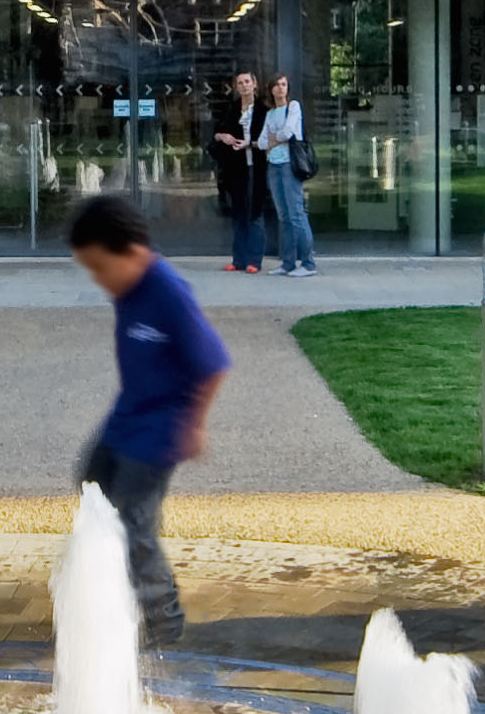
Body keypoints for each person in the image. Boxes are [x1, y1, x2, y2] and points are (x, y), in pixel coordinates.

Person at [65, 191, 226, 635]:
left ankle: (162, 623)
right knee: (92, 485)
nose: (98, 280)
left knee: (134, 524)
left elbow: (213, 363)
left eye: (100, 267)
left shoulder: (168, 292)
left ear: (133, 253)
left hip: (159, 431)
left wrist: (194, 424)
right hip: (127, 417)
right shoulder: (128, 286)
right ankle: (111, 592)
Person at [259, 74, 320, 274]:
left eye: (284, 84)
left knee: (296, 213)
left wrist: (273, 140)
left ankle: (308, 263)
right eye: (276, 85)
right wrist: (275, 140)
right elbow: (261, 142)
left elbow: (288, 133)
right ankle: (287, 262)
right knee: (283, 215)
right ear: (271, 89)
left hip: (289, 164)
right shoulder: (270, 114)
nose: (280, 88)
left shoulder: (293, 107)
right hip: (273, 165)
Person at [207, 70, 268, 272]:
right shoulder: (231, 109)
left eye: (247, 82)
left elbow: (269, 141)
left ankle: (254, 260)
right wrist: (222, 136)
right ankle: (238, 259)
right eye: (240, 83)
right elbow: (216, 133)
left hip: (256, 167)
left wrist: (250, 144)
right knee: (239, 213)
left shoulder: (263, 110)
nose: (243, 86)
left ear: (255, 84)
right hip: (236, 169)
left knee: (255, 213)